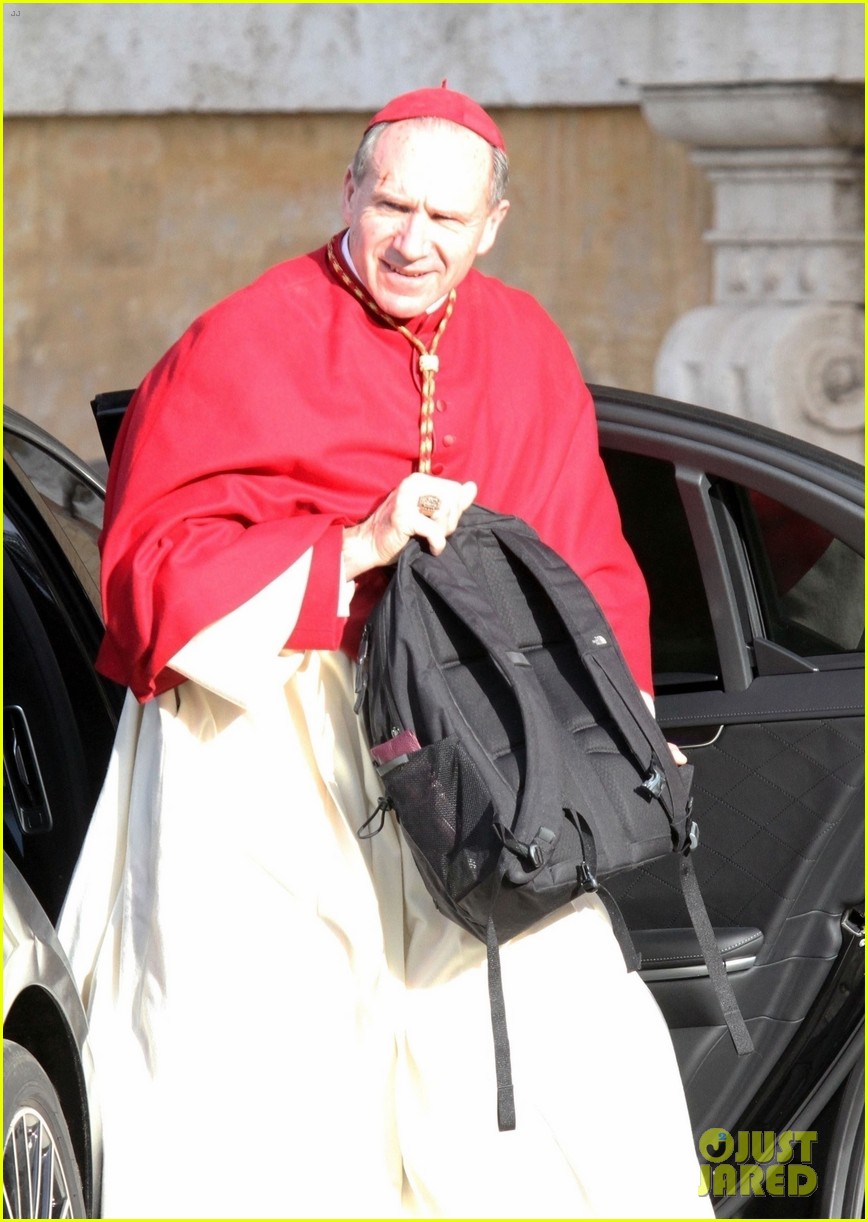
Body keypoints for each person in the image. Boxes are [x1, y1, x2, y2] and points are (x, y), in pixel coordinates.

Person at [59, 86, 711, 1218]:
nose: (413, 240)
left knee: (552, 1068)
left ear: (492, 225)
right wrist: (351, 545)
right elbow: (148, 580)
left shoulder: (527, 346)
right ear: (348, 192)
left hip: (483, 765)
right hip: (274, 747)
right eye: (392, 204)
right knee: (282, 1084)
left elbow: (588, 568)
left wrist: (624, 739)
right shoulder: (240, 340)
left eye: (445, 220)